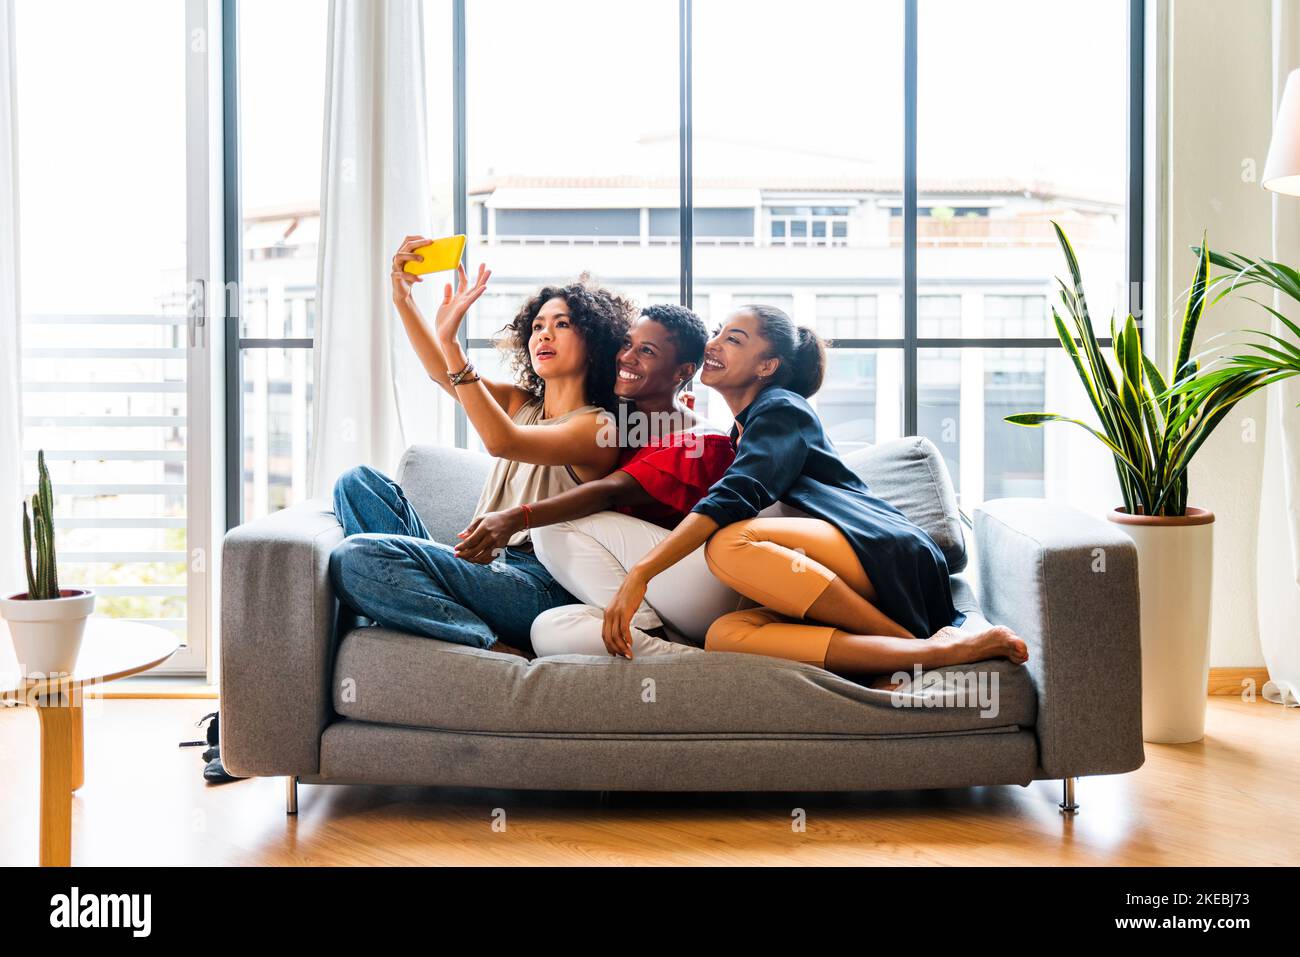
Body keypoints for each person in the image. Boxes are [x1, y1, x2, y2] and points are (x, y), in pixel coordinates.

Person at [599, 304, 1030, 683]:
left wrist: (641, 572)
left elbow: (735, 495)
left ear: (766, 366)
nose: (713, 344)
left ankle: (919, 647)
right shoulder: (744, 428)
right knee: (724, 634)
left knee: (729, 544)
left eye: (733, 339)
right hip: (843, 576)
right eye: (717, 333)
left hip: (887, 559)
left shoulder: (782, 408)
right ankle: (910, 654)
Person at [328, 238, 633, 656]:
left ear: (596, 342)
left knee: (357, 558)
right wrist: (403, 299)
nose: (544, 334)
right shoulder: (520, 402)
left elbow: (502, 441)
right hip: (481, 569)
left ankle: (488, 645)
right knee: (357, 482)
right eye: (538, 326)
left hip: (537, 585)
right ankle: (424, 609)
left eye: (561, 324)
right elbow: (442, 375)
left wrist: (453, 345)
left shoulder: (597, 427)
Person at [452, 304, 744, 659]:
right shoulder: (616, 421)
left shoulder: (701, 441)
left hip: (694, 583)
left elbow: (611, 491)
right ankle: (677, 655)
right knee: (547, 629)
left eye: (646, 351)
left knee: (551, 526)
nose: (627, 357)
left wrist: (517, 516)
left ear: (682, 371)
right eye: (626, 344)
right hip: (644, 580)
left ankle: (649, 630)